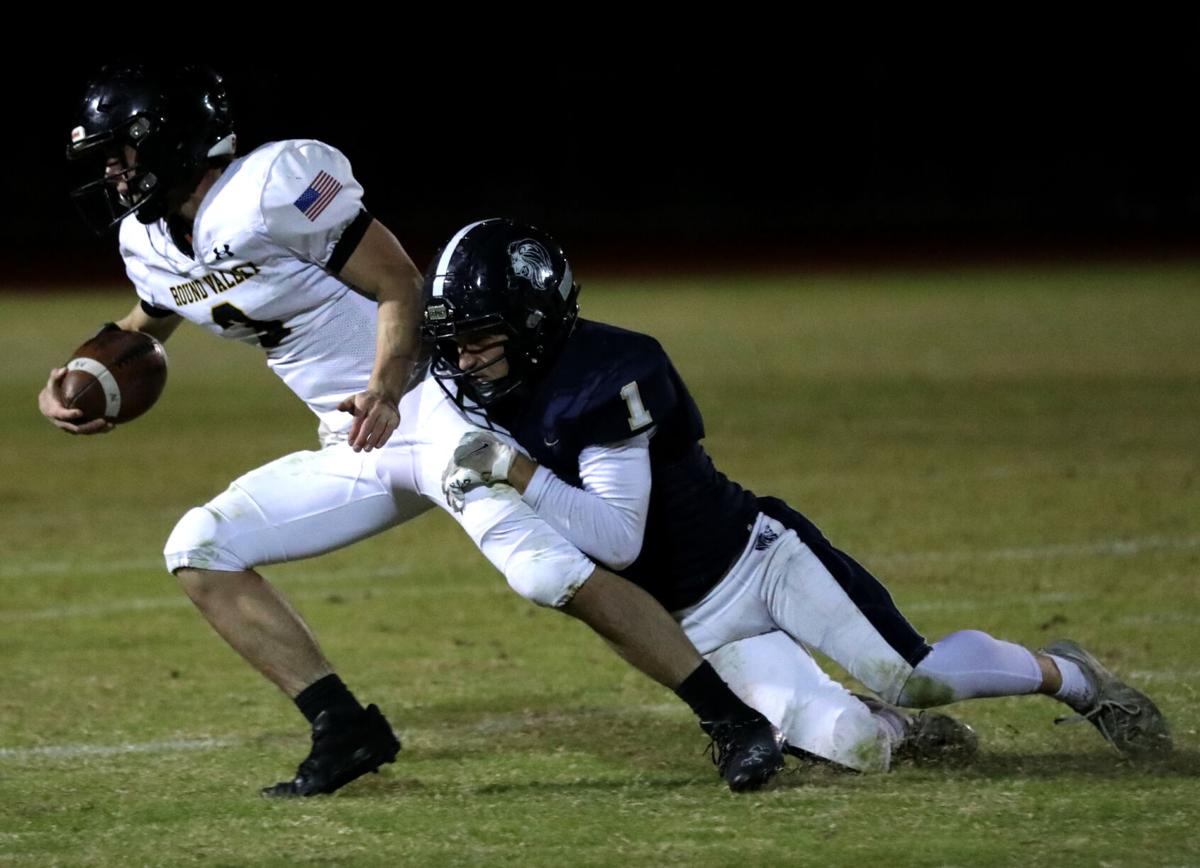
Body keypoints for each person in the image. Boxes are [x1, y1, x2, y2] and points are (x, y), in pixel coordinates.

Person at [40, 64, 788, 796]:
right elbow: (156, 315)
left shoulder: (270, 189)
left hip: (430, 407)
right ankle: (341, 725)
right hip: (356, 440)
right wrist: (89, 373)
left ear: (173, 137)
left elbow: (398, 279)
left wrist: (387, 387)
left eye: (120, 149)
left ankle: (731, 720)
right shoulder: (148, 240)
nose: (110, 170)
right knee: (199, 548)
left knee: (547, 572)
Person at [424, 218, 1173, 773]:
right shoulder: (489, 388)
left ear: (533, 323)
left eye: (478, 337)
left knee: (914, 675)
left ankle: (1074, 678)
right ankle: (893, 734)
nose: (462, 357)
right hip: (697, 624)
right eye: (453, 340)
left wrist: (515, 473)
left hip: (760, 561)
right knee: (859, 748)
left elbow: (618, 539)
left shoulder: (609, 372)